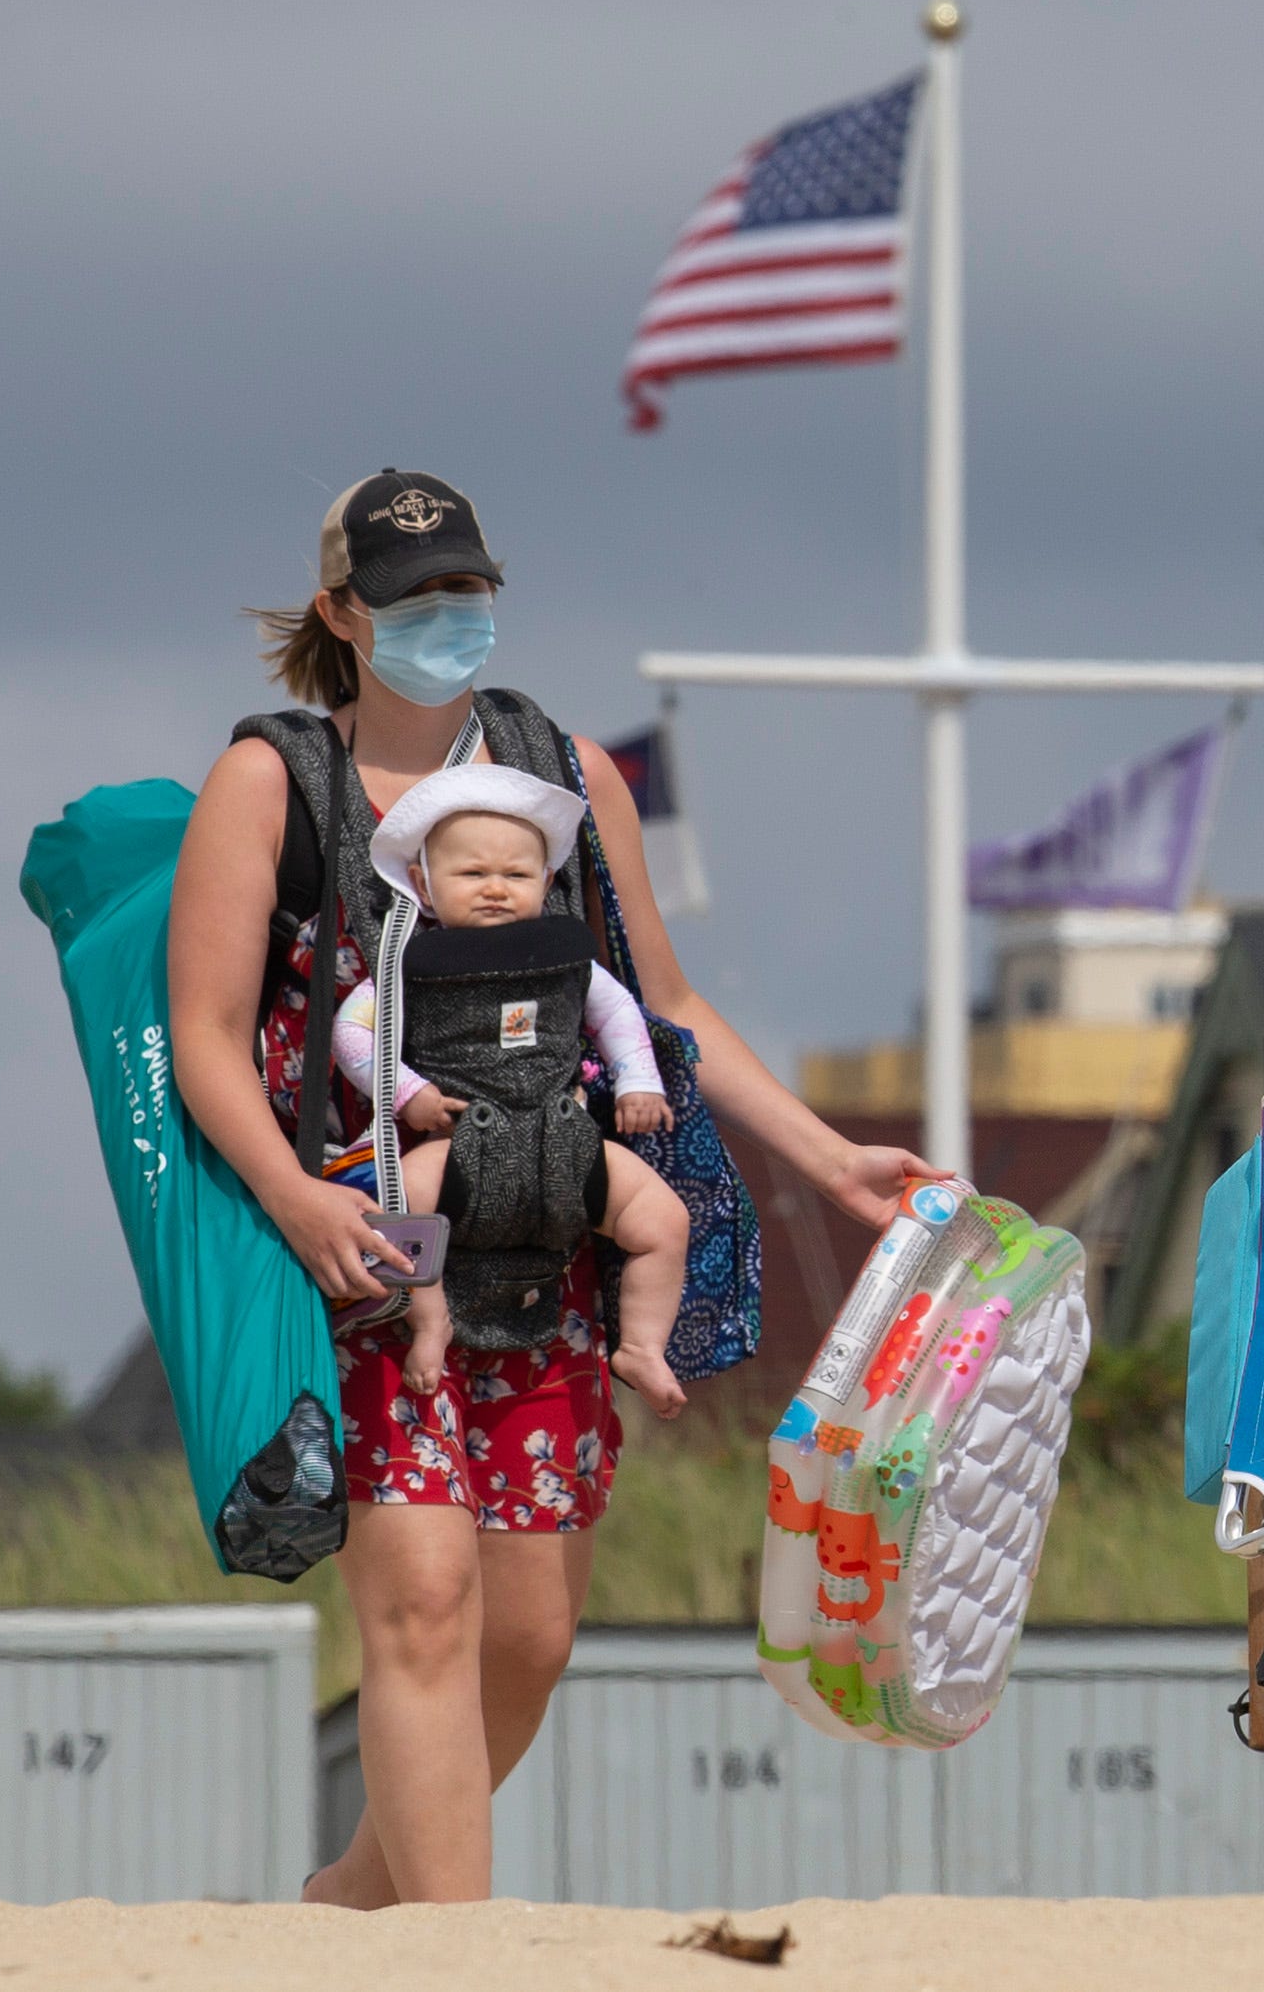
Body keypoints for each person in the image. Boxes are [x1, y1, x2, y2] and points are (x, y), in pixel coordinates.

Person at [166, 468, 931, 1906]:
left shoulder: (565, 771)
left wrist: (829, 1159)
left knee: (526, 1633)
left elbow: (670, 998)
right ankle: (460, 1943)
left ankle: (353, 1906)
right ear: (343, 611)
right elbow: (206, 1030)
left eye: (470, 591)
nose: (450, 620)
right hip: (370, 1242)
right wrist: (296, 1199)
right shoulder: (274, 777)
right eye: (413, 598)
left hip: (556, 1234)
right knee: (425, 1602)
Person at [331, 767, 693, 1420]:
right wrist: (409, 1093)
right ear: (423, 884)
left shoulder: (567, 961)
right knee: (396, 1203)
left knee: (664, 1220)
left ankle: (641, 1344)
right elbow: (353, 1033)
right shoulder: (411, 966)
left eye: (517, 877)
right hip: (461, 1143)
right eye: (472, 876)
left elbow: (619, 1017)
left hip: (567, 1142)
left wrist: (639, 1082)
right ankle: (430, 1317)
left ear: (546, 883)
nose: (496, 889)